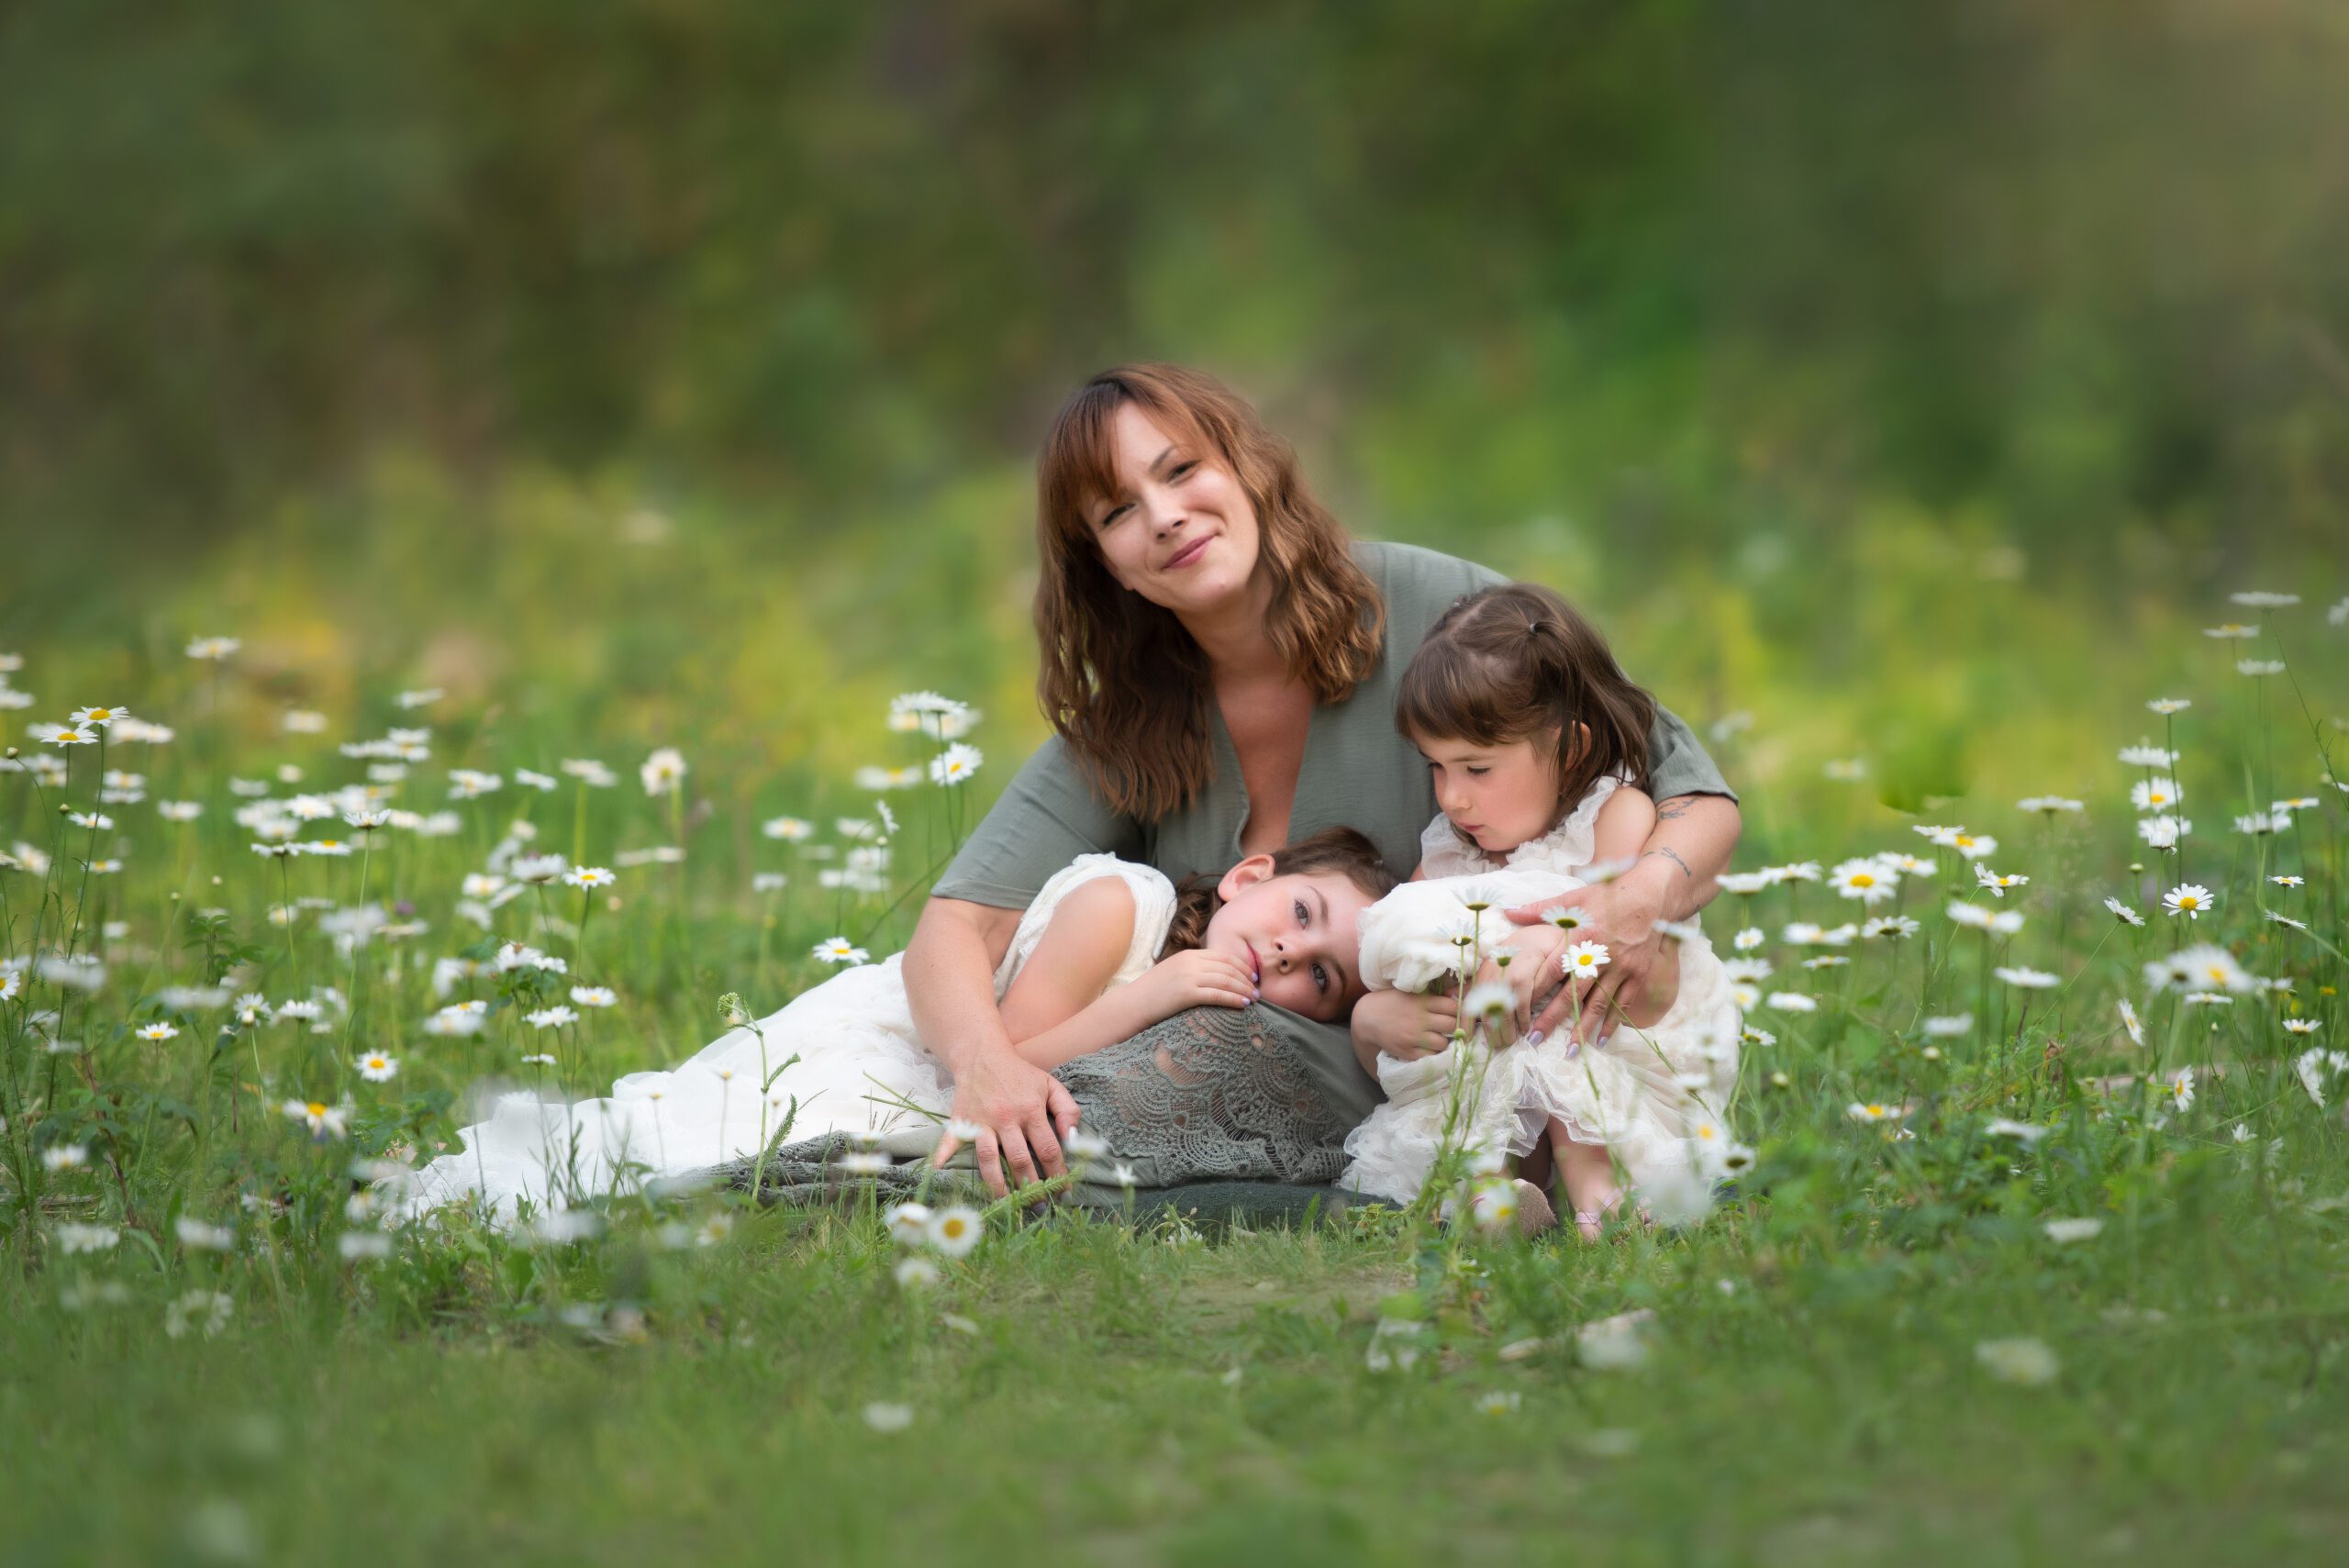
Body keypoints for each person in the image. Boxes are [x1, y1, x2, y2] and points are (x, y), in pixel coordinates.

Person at [907, 363, 1742, 1198]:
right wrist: (989, 1069)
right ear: (1106, 566)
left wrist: (1631, 905)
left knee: (1185, 1071)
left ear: (1247, 467)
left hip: (1469, 1058)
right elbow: (956, 927)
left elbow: (1690, 791)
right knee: (1144, 1077)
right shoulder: (1129, 716)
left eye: (1181, 470)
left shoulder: (1441, 614)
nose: (1164, 518)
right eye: (1119, 512)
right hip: (1295, 1065)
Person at [389, 828, 1394, 1225]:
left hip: (933, 1079)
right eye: (1299, 917)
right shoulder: (1123, 910)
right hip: (899, 1048)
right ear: (1251, 874)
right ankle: (466, 1193)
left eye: (1322, 979)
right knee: (694, 1145)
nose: (1289, 960)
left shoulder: (1211, 993)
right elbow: (1005, 1062)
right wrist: (1155, 994)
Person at [1339, 584, 1742, 1236]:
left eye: (1476, 768)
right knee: (1482, 1046)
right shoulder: (1447, 849)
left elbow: (1623, 951)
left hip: (1616, 1039)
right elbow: (1404, 959)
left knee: (1551, 1016)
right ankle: (1495, 1190)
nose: (1453, 798)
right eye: (1436, 768)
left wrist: (1541, 954)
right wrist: (1374, 1015)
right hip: (1499, 1050)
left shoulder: (1613, 815)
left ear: (1572, 749)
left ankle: (1597, 1187)